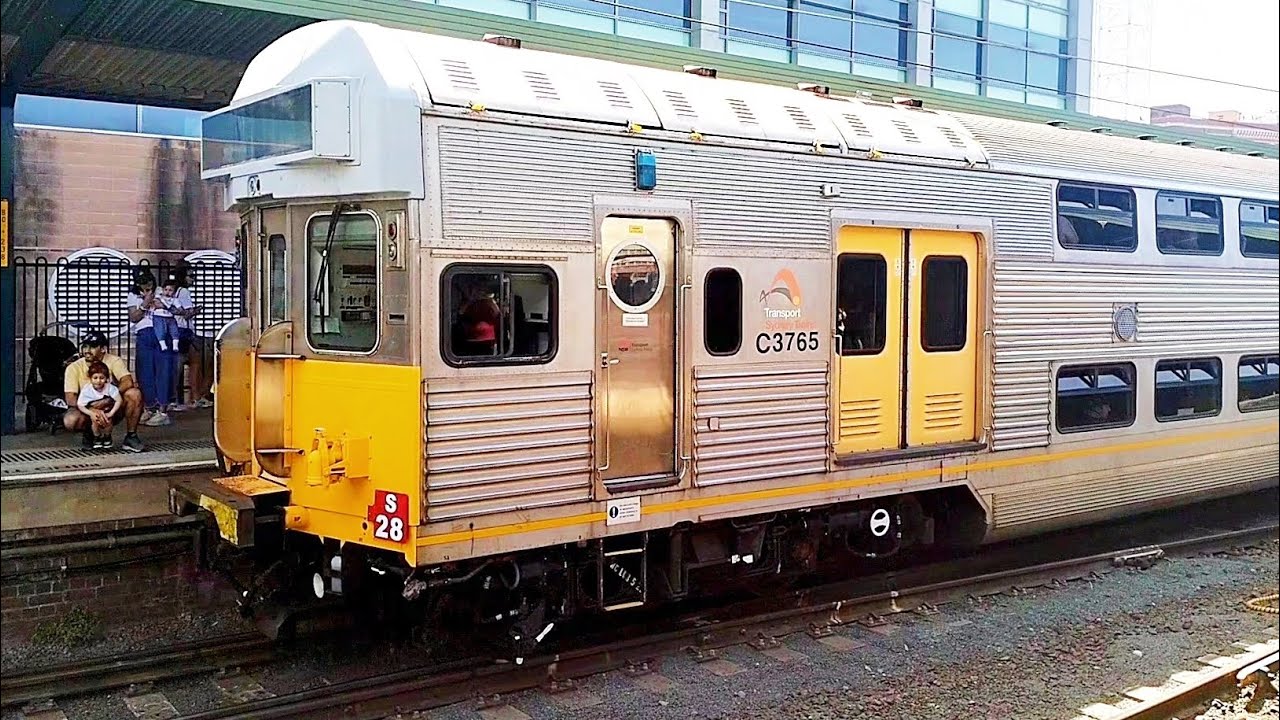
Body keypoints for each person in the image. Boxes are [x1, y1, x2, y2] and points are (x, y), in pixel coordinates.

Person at [63, 330, 145, 452]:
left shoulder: (114, 360)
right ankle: (90, 433)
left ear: (103, 349)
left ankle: (131, 436)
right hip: (87, 408)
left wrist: (109, 399)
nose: (87, 350)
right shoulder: (73, 367)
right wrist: (91, 409)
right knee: (70, 420)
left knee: (134, 394)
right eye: (85, 346)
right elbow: (70, 399)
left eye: (92, 347)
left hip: (111, 406)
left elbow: (127, 381)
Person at [125, 270, 176, 427]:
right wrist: (145, 303)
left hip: (162, 332)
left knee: (163, 371)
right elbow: (133, 317)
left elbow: (176, 309)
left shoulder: (162, 292)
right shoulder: (133, 296)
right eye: (143, 283)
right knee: (145, 371)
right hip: (144, 333)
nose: (147, 286)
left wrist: (163, 304)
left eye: (149, 283)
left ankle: (163, 410)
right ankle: (150, 407)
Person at [77, 360, 123, 450]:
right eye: (95, 378)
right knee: (95, 422)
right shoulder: (87, 390)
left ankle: (107, 436)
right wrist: (91, 413)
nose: (98, 381)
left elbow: (119, 400)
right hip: (93, 411)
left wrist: (111, 413)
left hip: (107, 410)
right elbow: (80, 405)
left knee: (108, 422)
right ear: (90, 378)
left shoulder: (110, 388)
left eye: (102, 378)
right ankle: (97, 437)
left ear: (106, 378)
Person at [151, 278, 182, 353]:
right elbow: (155, 302)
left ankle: (175, 344)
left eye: (170, 290)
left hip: (170, 317)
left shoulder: (174, 300)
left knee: (174, 330)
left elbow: (179, 309)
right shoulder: (159, 297)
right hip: (159, 316)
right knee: (160, 330)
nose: (168, 292)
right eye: (166, 290)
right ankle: (162, 344)